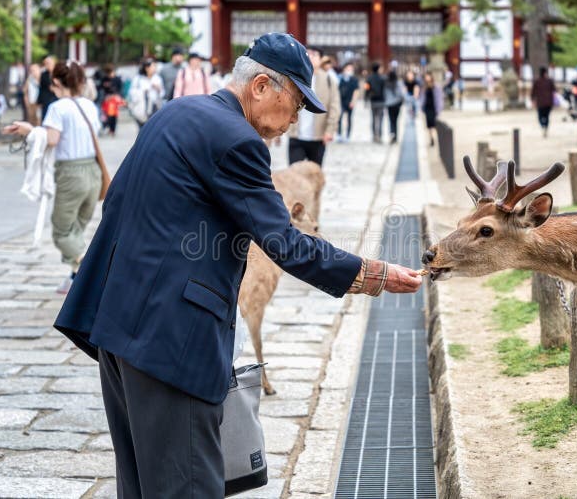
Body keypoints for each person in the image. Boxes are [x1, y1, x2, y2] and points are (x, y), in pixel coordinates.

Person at [51, 32, 422, 498]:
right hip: (171, 341)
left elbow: (118, 205)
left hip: (118, 326)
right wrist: (374, 274)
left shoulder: (175, 113)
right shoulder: (238, 141)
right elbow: (285, 242)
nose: (293, 123)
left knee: (143, 485)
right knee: (187, 485)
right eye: (296, 106)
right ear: (261, 86)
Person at [2, 61, 103, 294]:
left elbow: (52, 139)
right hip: (93, 172)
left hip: (71, 174)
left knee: (62, 231)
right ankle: (75, 279)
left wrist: (29, 130)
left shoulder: (58, 108)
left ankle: (89, 271)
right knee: (76, 228)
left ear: (55, 82)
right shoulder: (89, 105)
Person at [287, 46, 341, 166]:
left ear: (321, 59)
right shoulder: (296, 77)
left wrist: (330, 130)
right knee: (294, 175)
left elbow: (334, 106)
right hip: (296, 135)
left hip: (318, 136)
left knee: (314, 175)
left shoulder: (329, 79)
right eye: (308, 54)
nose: (310, 57)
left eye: (314, 54)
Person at [128, 58, 165, 128]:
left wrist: (158, 89)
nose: (154, 68)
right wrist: (144, 91)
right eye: (153, 66)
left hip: (154, 108)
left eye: (155, 66)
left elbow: (162, 93)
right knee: (142, 130)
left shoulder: (157, 78)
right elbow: (132, 93)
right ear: (147, 68)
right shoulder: (138, 79)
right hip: (141, 108)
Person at [418, 72, 443, 147]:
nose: (427, 78)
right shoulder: (424, 87)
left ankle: (435, 138)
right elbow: (422, 98)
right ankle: (431, 138)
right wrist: (421, 106)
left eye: (428, 76)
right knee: (429, 125)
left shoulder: (436, 87)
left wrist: (439, 108)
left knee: (434, 124)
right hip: (427, 108)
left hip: (434, 108)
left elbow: (439, 98)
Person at [337, 62, 359, 142]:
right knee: (339, 117)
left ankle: (347, 135)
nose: (349, 71)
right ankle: (339, 134)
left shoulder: (354, 80)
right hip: (341, 101)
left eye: (351, 69)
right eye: (348, 69)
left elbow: (356, 91)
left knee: (349, 119)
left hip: (350, 102)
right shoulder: (339, 78)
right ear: (344, 69)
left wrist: (353, 101)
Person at [530, 67, 555, 137]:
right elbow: (554, 90)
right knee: (547, 116)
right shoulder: (549, 81)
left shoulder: (537, 81)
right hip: (548, 102)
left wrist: (532, 100)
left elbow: (533, 92)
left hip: (540, 103)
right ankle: (545, 127)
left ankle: (543, 126)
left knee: (540, 117)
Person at [365, 62, 386, 142]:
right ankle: (379, 135)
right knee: (380, 119)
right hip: (381, 100)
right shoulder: (382, 78)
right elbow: (384, 90)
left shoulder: (369, 78)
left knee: (373, 118)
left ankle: (374, 135)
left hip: (373, 100)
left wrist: (366, 98)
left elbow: (367, 89)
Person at [384, 70, 404, 144]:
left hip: (389, 104)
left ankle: (392, 133)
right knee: (396, 120)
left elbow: (385, 94)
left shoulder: (386, 84)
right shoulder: (398, 83)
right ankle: (395, 136)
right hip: (397, 104)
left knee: (391, 120)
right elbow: (401, 94)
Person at [38, 55, 58, 121]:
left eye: (48, 63)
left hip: (56, 99)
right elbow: (41, 88)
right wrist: (39, 101)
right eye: (45, 64)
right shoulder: (43, 74)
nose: (46, 65)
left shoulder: (58, 73)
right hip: (46, 100)